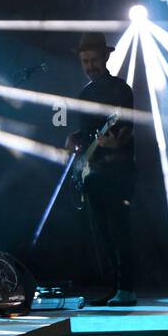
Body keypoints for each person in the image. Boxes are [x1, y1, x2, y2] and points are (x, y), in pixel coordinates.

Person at [66, 31, 137, 307]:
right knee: (102, 237)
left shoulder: (120, 90)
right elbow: (86, 134)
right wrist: (75, 137)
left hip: (117, 171)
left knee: (120, 231)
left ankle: (127, 289)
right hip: (93, 173)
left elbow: (125, 131)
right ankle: (111, 287)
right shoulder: (85, 93)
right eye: (84, 62)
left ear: (106, 57)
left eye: (93, 60)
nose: (89, 67)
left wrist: (114, 141)